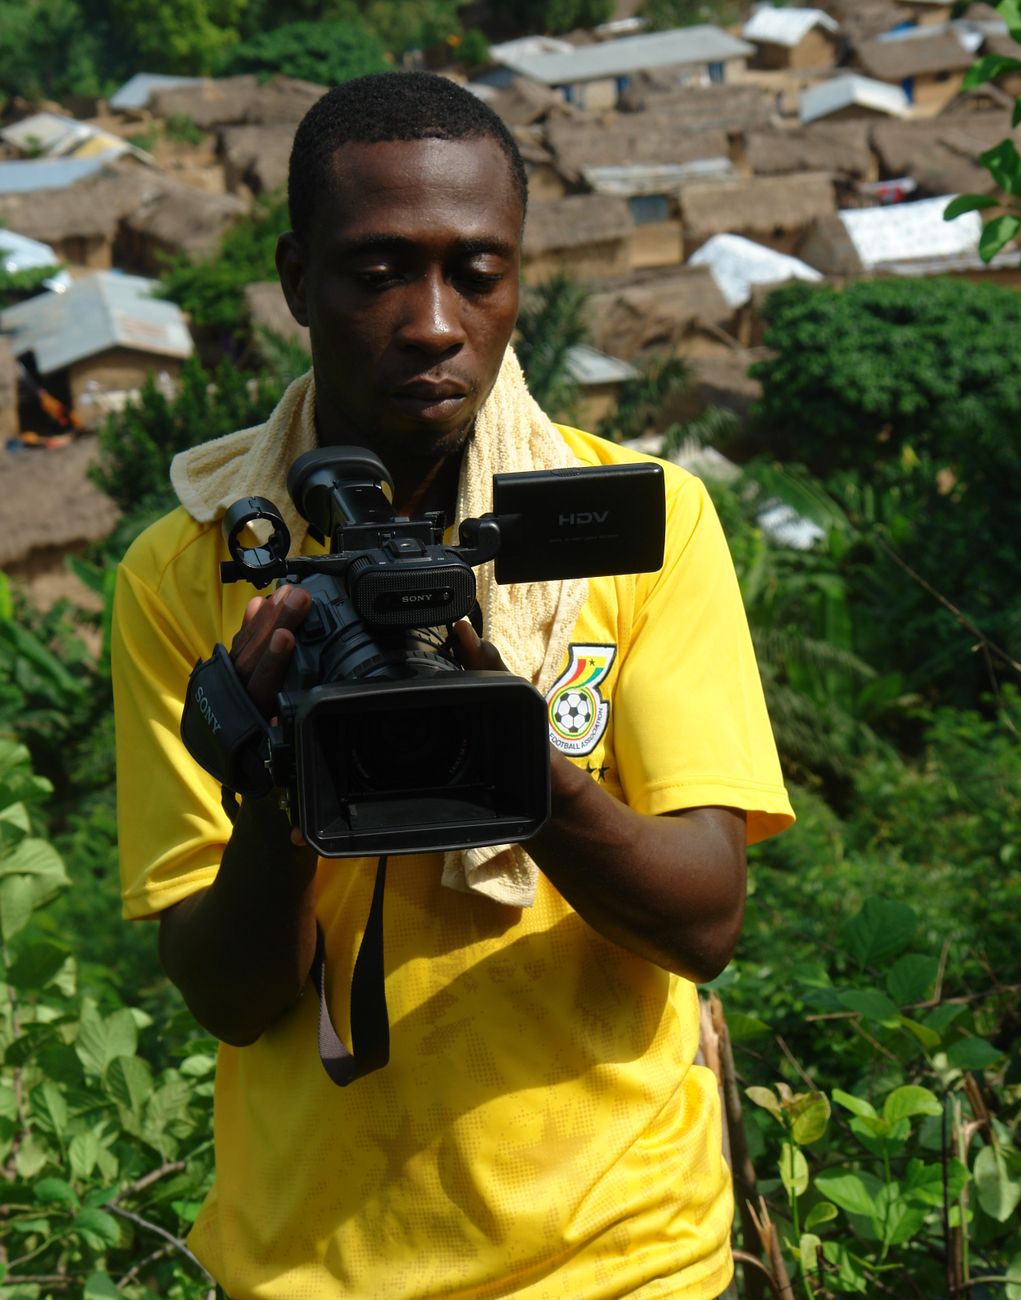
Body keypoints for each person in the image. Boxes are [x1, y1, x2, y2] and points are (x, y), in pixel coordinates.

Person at [113, 72, 794, 1299]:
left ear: (519, 279)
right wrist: (276, 779)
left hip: (620, 1260)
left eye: (477, 272)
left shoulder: (634, 529)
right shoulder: (195, 568)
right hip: (310, 1266)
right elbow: (227, 992)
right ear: (293, 279)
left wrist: (506, 752)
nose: (434, 322)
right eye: (378, 272)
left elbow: (704, 923)